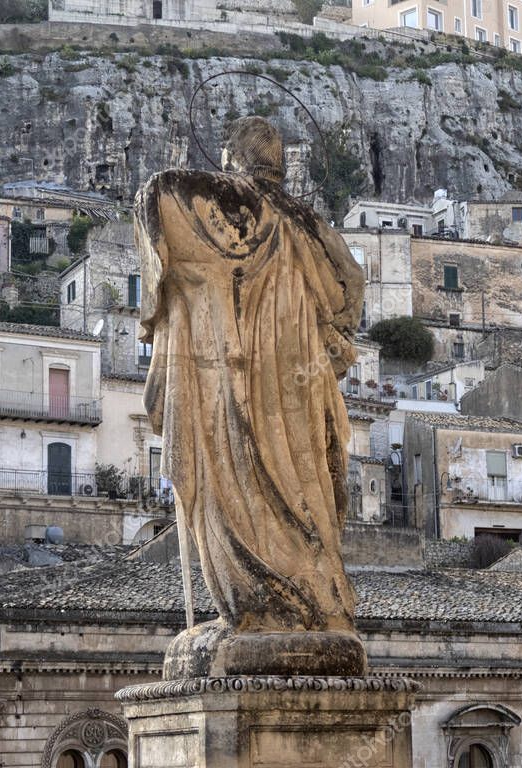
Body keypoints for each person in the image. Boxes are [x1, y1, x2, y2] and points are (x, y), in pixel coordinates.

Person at [133, 116, 366, 677]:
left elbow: (157, 194)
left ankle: (262, 609)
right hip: (299, 390)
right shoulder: (309, 228)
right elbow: (350, 289)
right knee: (305, 484)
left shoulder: (213, 208)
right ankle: (317, 605)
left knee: (234, 483)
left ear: (232, 159)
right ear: (281, 162)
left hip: (233, 388)